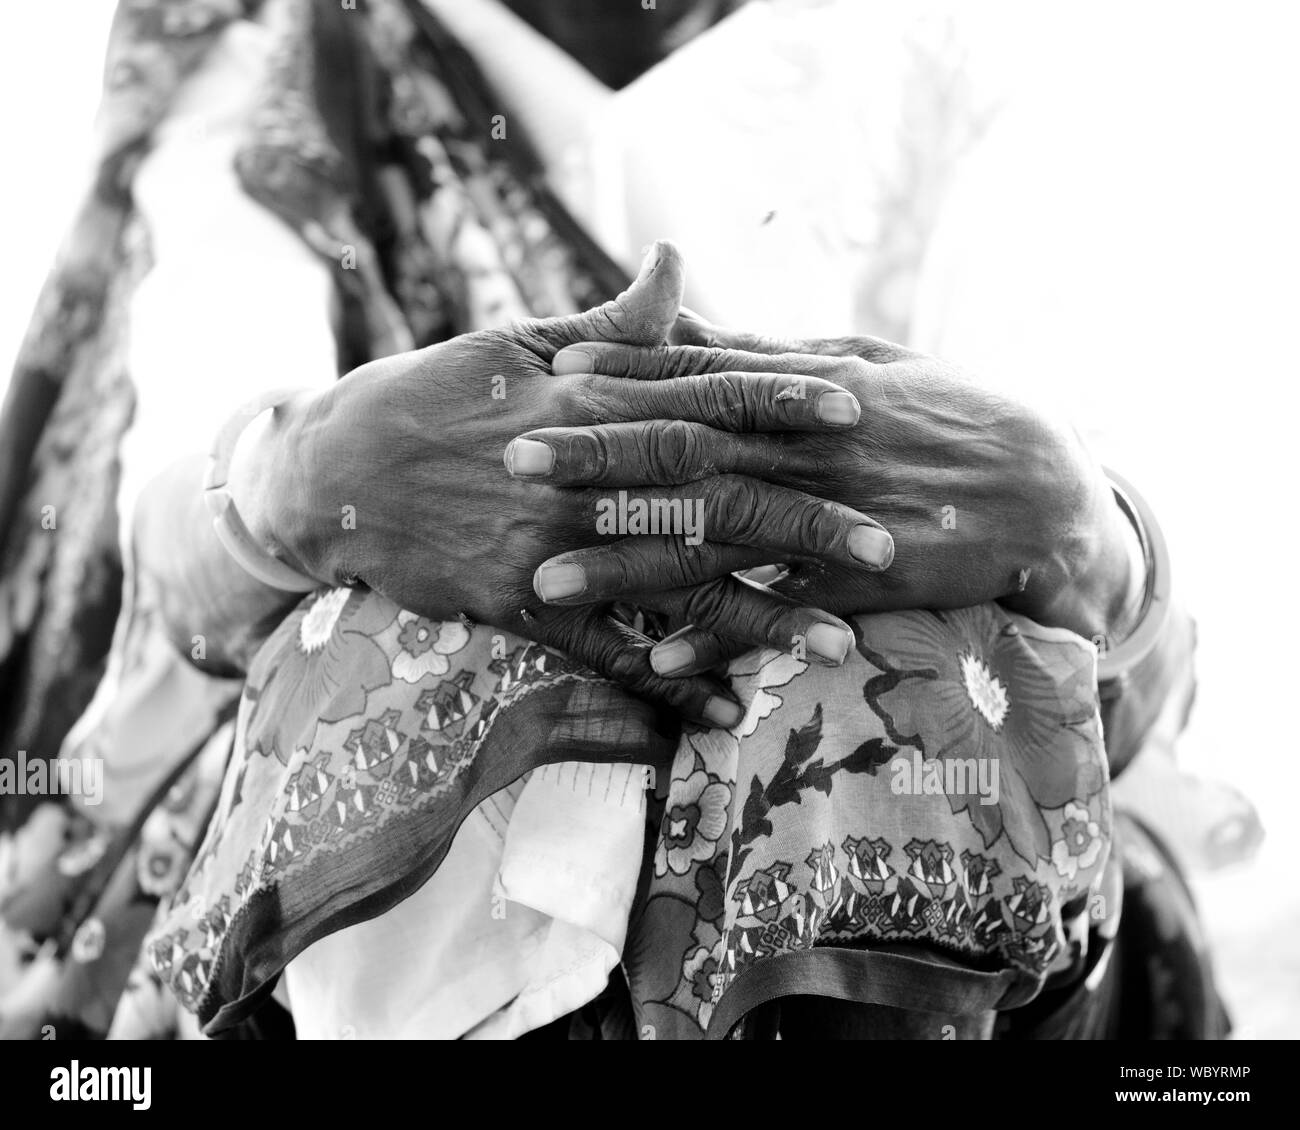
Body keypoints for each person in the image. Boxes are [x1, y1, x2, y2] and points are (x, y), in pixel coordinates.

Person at [0, 0, 1217, 1040]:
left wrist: (1073, 528)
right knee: (381, 661)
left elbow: (1143, 664)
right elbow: (178, 551)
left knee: (930, 686)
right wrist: (307, 477)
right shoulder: (287, 47)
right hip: (387, 888)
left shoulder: (937, 56)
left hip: (927, 835)